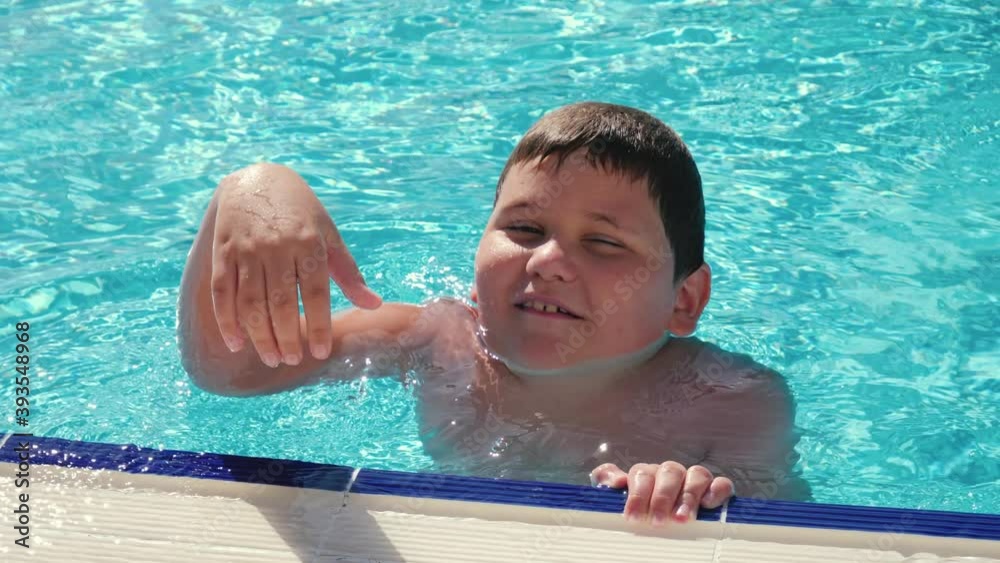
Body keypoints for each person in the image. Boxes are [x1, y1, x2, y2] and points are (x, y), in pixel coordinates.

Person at [177, 101, 811, 527]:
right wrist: (248, 191)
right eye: (525, 227)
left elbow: (780, 531)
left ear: (684, 299)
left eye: (604, 242)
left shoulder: (732, 399)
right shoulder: (437, 339)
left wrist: (689, 490)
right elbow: (229, 372)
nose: (547, 262)